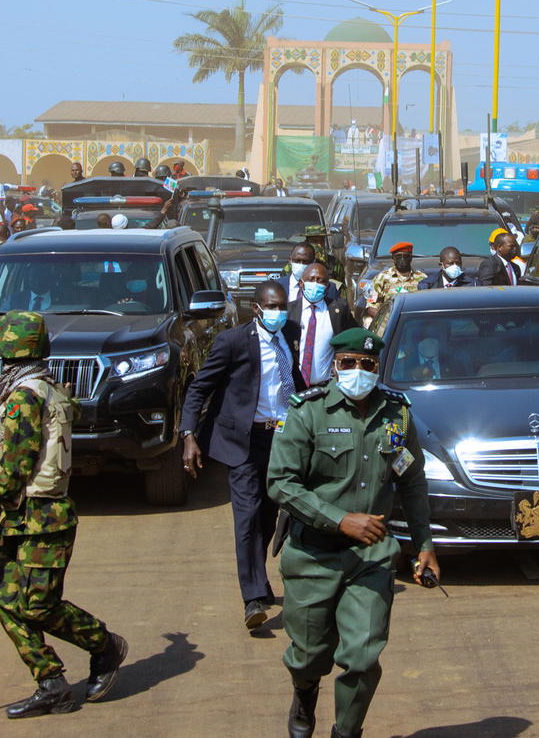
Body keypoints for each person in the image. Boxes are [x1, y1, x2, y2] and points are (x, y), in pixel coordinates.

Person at [266, 326, 437, 738]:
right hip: (313, 555)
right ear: (334, 366)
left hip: (371, 558)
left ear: (378, 368)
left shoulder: (397, 414)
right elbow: (281, 483)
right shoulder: (307, 411)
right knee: (310, 654)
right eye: (349, 363)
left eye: (367, 364)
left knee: (363, 657)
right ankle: (305, 692)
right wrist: (339, 519)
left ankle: (346, 731)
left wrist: (424, 545)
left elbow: (412, 480)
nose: (358, 370)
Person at [0, 311, 126, 718]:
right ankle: (51, 682)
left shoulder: (24, 398)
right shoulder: (49, 389)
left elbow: (16, 468)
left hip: (43, 516)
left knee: (38, 606)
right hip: (26, 516)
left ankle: (104, 645)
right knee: (5, 600)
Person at [181, 281, 296, 630]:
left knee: (268, 516)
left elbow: (296, 380)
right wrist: (188, 434)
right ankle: (253, 597)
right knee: (247, 516)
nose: (278, 313)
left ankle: (257, 576)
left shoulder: (290, 335)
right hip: (243, 441)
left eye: (282, 306)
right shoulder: (233, 342)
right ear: (257, 308)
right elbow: (199, 388)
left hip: (280, 439)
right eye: (272, 307)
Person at [286, 260, 356, 388]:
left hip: (326, 388)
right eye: (311, 279)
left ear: (327, 287)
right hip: (294, 388)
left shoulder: (339, 310)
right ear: (301, 283)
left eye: (320, 280)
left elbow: (352, 341)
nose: (315, 283)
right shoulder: (288, 311)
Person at [364, 242, 425, 335]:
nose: (402, 259)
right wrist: (388, 319)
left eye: (406, 256)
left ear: (411, 258)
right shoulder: (382, 278)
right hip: (388, 326)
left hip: (414, 325)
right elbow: (371, 307)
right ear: (393, 258)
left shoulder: (421, 278)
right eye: (398, 256)